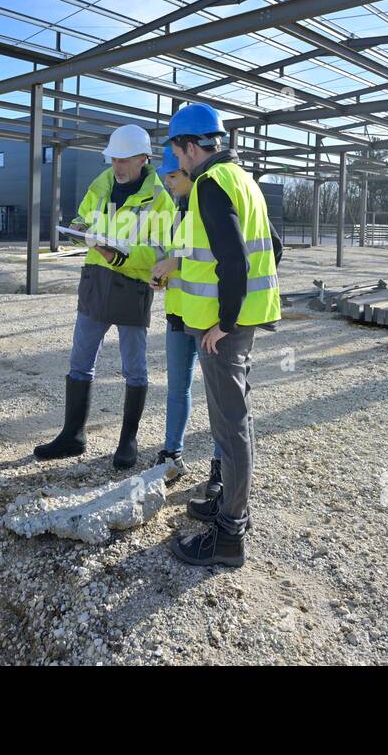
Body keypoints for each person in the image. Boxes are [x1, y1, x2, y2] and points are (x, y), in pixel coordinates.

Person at [160, 104, 280, 568]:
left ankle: (229, 534)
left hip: (223, 330)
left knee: (230, 427)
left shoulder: (210, 184)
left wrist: (225, 322)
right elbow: (275, 246)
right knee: (236, 419)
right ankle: (226, 504)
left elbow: (235, 262)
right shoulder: (242, 178)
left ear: (191, 147)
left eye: (176, 150)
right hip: (239, 321)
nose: (177, 161)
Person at [34, 124, 176, 469]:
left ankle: (128, 440)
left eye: (125, 160)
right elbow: (84, 218)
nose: (118, 167)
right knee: (80, 361)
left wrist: (122, 256)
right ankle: (73, 435)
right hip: (96, 281)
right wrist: (78, 230)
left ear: (144, 158)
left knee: (135, 369)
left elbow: (163, 253)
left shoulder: (161, 200)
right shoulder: (101, 185)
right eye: (114, 159)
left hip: (132, 287)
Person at [148, 145, 214, 482]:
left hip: (206, 318)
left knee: (219, 397)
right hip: (178, 313)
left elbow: (219, 259)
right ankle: (172, 453)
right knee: (178, 389)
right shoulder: (177, 211)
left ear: (190, 171)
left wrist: (178, 263)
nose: (168, 182)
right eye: (165, 177)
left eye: (173, 176)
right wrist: (163, 273)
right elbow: (180, 257)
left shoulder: (211, 206)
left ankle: (221, 465)